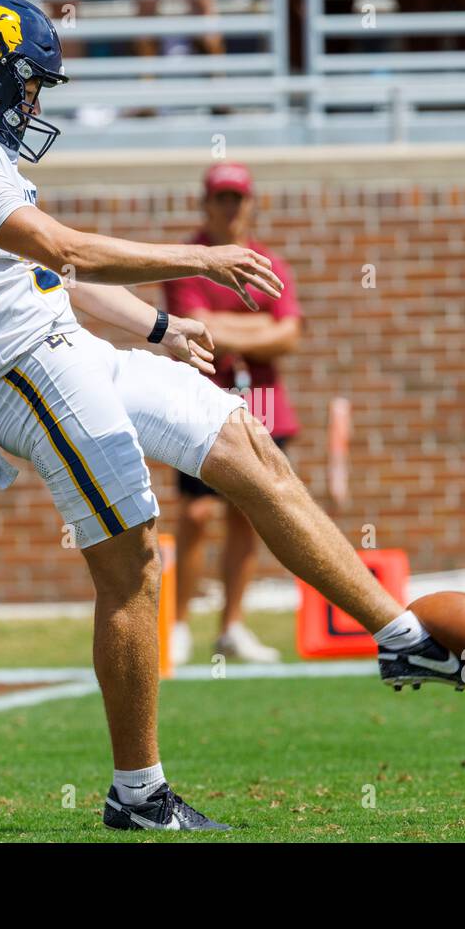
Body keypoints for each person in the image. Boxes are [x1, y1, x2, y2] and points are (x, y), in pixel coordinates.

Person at [0, 0, 465, 832]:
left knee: (247, 443)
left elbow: (52, 284)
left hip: (68, 353)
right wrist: (200, 257)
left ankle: (404, 639)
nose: (32, 102)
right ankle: (139, 792)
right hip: (21, 374)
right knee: (133, 563)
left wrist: (159, 325)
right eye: (27, 83)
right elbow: (62, 248)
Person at [163, 162, 301, 665]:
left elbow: (288, 334)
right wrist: (254, 326)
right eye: (221, 197)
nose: (230, 207)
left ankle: (232, 627)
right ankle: (178, 623)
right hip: (202, 398)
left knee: (251, 513)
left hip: (261, 401)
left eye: (237, 198)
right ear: (206, 203)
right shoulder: (191, 259)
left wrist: (228, 327)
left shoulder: (269, 262)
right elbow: (196, 328)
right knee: (197, 514)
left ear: (251, 202)